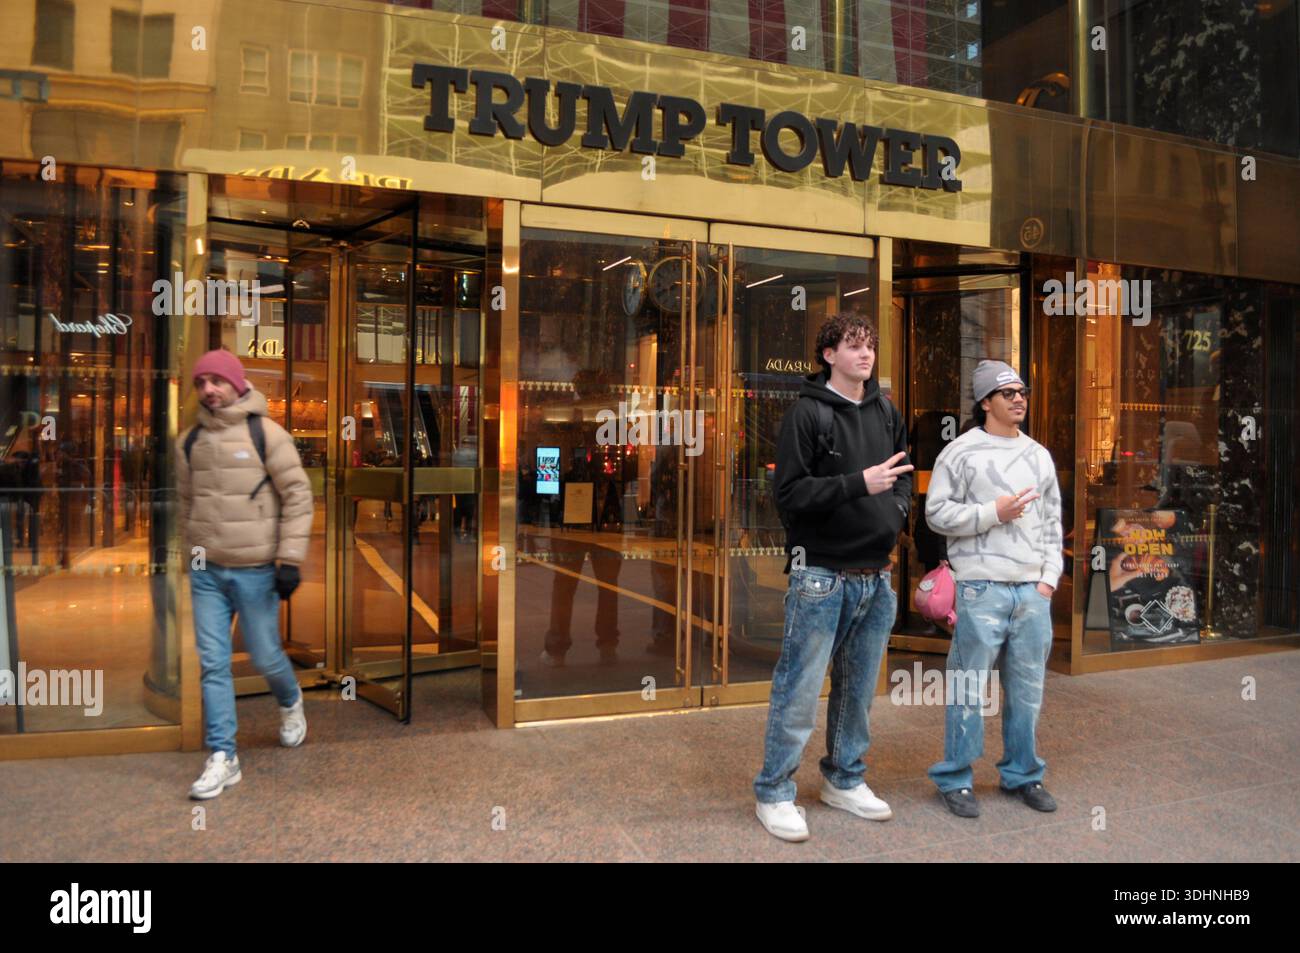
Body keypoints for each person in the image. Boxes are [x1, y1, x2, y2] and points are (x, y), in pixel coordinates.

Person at [754, 313, 914, 842]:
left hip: (876, 576)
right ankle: (774, 792)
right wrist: (857, 484)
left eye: (869, 346)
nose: (864, 355)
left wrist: (895, 515)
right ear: (828, 355)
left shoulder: (886, 410)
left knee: (858, 690)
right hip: (819, 574)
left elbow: (902, 479)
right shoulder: (807, 414)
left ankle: (844, 779)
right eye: (852, 346)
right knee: (799, 688)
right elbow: (790, 495)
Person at [924, 359, 1064, 818]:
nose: (1019, 399)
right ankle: (956, 779)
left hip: (1031, 592)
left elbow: (1052, 523)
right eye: (1007, 393)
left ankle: (1022, 774)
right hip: (981, 587)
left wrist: (1048, 580)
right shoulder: (960, 453)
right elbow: (935, 515)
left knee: (1027, 688)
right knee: (968, 684)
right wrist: (992, 513)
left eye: (1021, 391)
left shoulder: (1039, 455)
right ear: (986, 402)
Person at [178, 349, 314, 799]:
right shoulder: (189, 442)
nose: (209, 389)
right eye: (202, 382)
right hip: (207, 575)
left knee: (266, 655)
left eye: (217, 380)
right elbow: (184, 506)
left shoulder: (266, 434)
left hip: (256, 570)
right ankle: (224, 756)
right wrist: (188, 558)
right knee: (213, 663)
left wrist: (289, 559)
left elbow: (297, 494)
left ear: (237, 384)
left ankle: (290, 700)